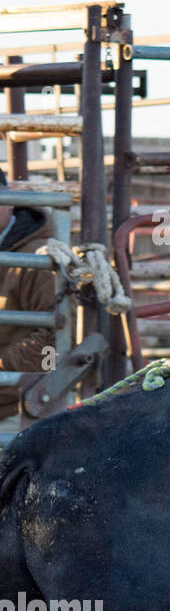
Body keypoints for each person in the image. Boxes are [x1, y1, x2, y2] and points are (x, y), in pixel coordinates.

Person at [0, 166, 57, 431]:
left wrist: (3, 369)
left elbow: (53, 344)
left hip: (17, 407)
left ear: (8, 201)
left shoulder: (39, 259)